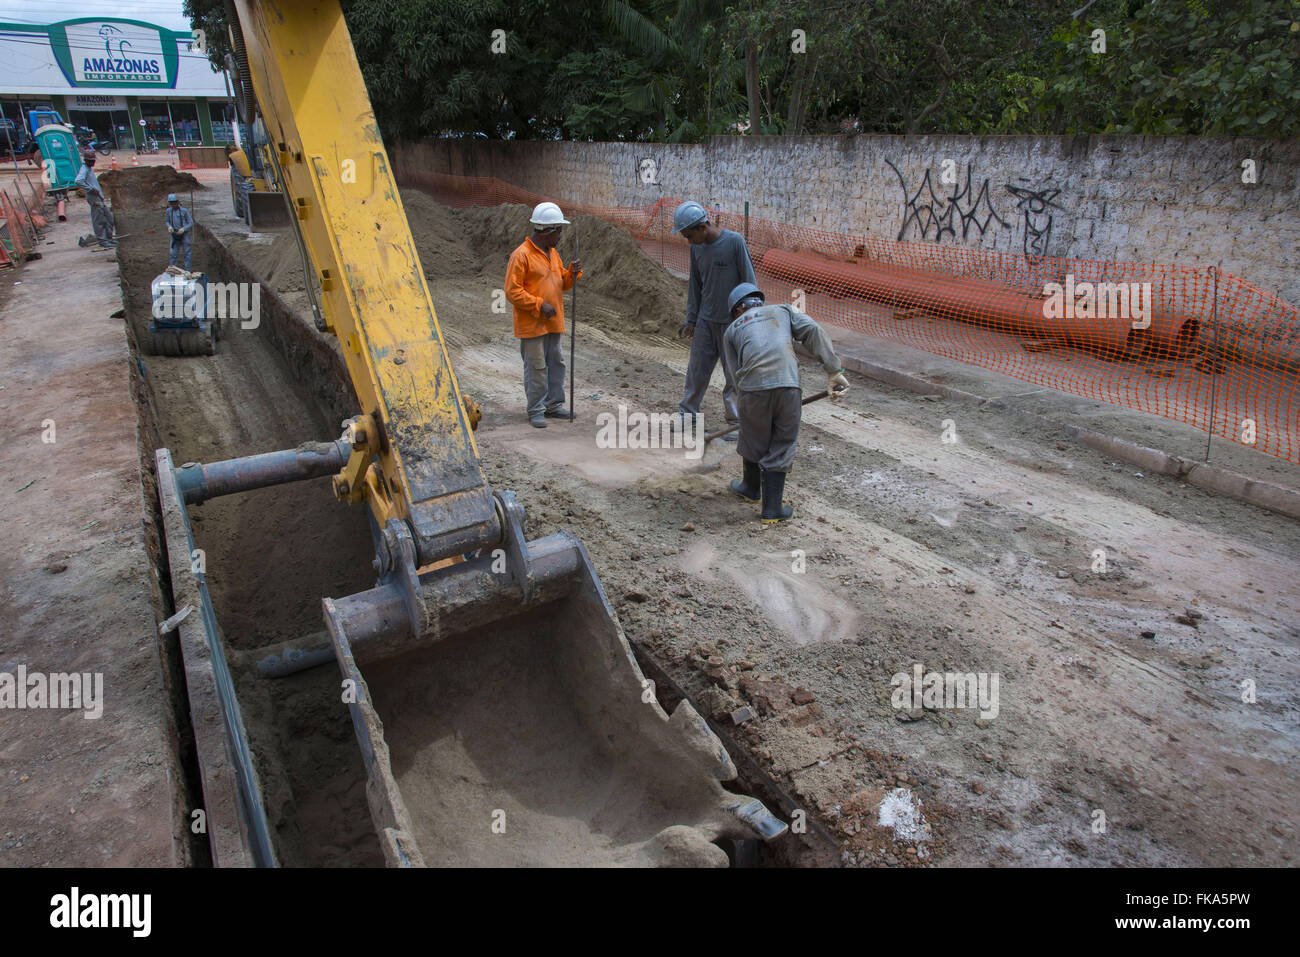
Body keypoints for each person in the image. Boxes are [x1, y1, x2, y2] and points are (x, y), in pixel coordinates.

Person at [722, 283, 850, 522]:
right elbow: (813, 331)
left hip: (752, 389)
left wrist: (751, 411)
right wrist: (833, 371)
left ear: (737, 310)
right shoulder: (783, 310)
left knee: (753, 436)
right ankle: (772, 509)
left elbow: (734, 372)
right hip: (789, 385)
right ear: (758, 301)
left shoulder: (731, 330)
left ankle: (751, 489)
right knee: (782, 441)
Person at [673, 200, 756, 440]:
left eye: (690, 235)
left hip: (733, 323)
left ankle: (736, 422)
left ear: (702, 226)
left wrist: (749, 320)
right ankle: (687, 414)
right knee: (696, 370)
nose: (688, 241)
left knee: (734, 375)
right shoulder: (696, 248)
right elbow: (695, 285)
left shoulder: (734, 243)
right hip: (706, 321)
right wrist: (692, 319)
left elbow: (749, 283)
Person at [505, 202, 582, 428]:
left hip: (553, 322)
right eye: (559, 230)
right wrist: (539, 305)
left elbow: (562, 282)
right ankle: (536, 409)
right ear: (548, 231)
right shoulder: (521, 256)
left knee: (555, 363)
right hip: (532, 324)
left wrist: (572, 274)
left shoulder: (553, 254)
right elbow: (512, 291)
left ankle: (554, 405)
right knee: (537, 367)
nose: (560, 235)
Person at [74, 153, 114, 247]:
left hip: (98, 196)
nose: (93, 162)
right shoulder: (84, 169)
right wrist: (90, 189)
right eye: (92, 161)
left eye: (94, 160)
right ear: (87, 160)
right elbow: (78, 181)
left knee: (108, 218)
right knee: (99, 220)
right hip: (94, 197)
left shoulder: (89, 169)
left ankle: (109, 238)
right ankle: (103, 241)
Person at [165, 193, 194, 271]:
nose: (173, 204)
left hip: (184, 234)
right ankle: (173, 270)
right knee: (173, 253)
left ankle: (188, 270)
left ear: (178, 202)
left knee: (187, 253)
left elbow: (191, 222)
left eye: (175, 202)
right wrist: (169, 227)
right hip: (174, 234)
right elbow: (167, 221)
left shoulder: (184, 211)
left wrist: (184, 229)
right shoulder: (168, 211)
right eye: (172, 203)